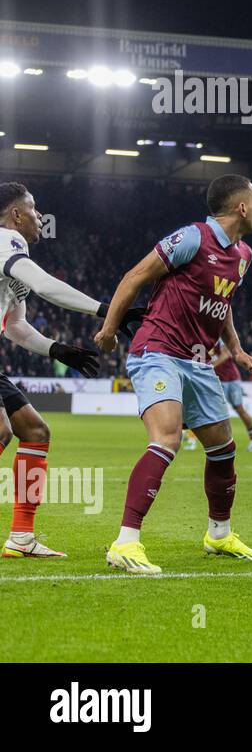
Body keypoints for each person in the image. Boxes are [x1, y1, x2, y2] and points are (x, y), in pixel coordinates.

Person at [95, 175, 252, 573]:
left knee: (223, 448)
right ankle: (126, 542)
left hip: (198, 363)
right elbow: (134, 276)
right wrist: (109, 331)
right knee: (168, 438)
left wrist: (239, 351)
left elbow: (222, 302)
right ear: (241, 207)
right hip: (158, 351)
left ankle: (219, 533)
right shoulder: (192, 238)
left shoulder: (243, 255)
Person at [0, 182, 142, 558]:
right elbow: (46, 285)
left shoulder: (14, 259)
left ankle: (21, 537)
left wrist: (57, 349)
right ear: (16, 215)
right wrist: (109, 310)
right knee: (1, 430)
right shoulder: (4, 241)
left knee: (34, 431)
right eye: (34, 209)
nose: (40, 216)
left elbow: (14, 325)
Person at [212, 340, 252, 451]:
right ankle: (220, 443)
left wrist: (210, 366)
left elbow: (226, 354)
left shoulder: (219, 338)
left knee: (238, 409)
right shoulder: (205, 340)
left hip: (231, 379)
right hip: (220, 379)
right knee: (217, 410)